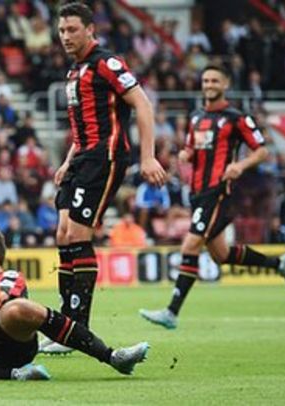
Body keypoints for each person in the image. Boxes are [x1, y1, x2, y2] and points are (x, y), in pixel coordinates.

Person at [44, 2, 168, 354]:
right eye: (62, 30)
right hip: (82, 157)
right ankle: (65, 327)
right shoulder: (74, 72)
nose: (65, 36)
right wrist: (68, 160)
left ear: (90, 30)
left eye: (72, 30)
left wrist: (148, 156)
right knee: (63, 234)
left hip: (105, 157)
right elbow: (83, 126)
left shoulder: (106, 63)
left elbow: (142, 104)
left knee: (79, 235)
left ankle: (75, 330)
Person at [139, 65, 285, 329]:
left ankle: (172, 312)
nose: (209, 84)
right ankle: (280, 264)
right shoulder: (197, 117)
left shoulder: (237, 118)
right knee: (221, 255)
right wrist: (185, 155)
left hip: (220, 191)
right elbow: (191, 147)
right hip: (198, 193)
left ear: (225, 85)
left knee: (190, 246)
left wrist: (239, 166)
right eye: (205, 80)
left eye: (214, 80)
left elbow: (261, 151)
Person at [0, 226, 149, 380]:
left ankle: (112, 356)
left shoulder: (8, 277)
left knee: (15, 308)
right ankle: (14, 375)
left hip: (11, 340)